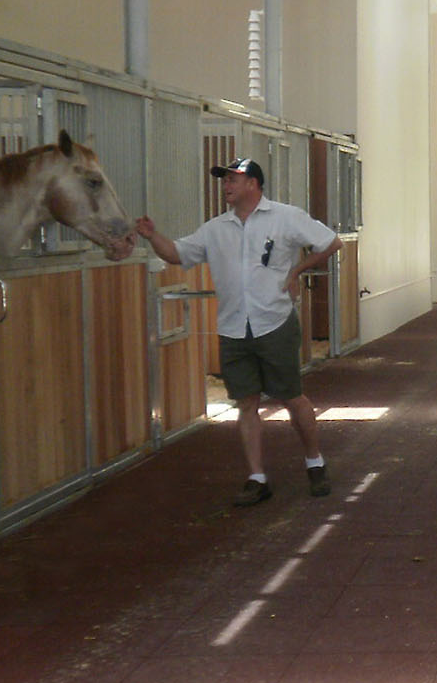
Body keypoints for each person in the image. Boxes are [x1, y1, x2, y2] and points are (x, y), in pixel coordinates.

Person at [136, 158, 343, 507]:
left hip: (274, 321)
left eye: (234, 179)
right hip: (234, 327)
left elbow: (331, 242)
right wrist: (152, 235)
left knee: (292, 396)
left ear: (254, 184)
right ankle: (257, 477)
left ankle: (314, 461)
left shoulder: (285, 216)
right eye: (225, 180)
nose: (226, 185)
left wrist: (296, 271)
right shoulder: (216, 228)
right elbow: (176, 254)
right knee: (246, 403)